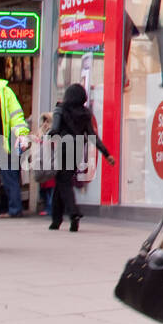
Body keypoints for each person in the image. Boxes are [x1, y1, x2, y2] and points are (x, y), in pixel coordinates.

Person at [48, 84, 115, 230]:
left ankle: (73, 213)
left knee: (63, 182)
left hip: (63, 148)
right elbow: (92, 136)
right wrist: (106, 153)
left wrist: (46, 138)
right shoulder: (85, 114)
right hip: (78, 150)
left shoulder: (60, 109)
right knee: (62, 182)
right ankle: (56, 220)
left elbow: (54, 129)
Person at [0, 63, 31, 217]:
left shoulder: (4, 91)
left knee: (9, 177)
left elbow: (16, 116)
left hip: (4, 144)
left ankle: (15, 209)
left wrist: (22, 134)